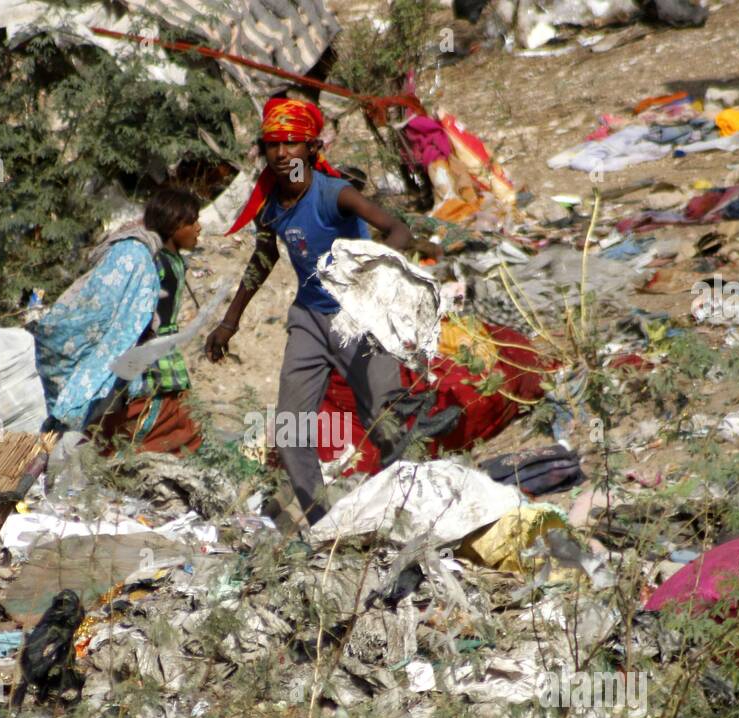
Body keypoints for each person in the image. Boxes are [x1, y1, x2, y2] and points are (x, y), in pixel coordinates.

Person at [204, 96, 453, 525]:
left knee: (384, 418)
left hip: (358, 318)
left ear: (312, 148)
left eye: (292, 143)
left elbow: (396, 229)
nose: (282, 153)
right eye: (273, 144)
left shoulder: (334, 195)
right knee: (290, 429)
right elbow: (263, 257)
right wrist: (230, 322)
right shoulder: (270, 204)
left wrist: (374, 279)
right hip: (309, 320)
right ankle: (324, 524)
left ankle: (409, 512)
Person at [33, 188, 203, 455]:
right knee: (144, 429)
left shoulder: (174, 261)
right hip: (148, 366)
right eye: (192, 222)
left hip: (165, 361)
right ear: (174, 224)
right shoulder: (149, 261)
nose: (198, 228)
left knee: (177, 426)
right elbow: (127, 307)